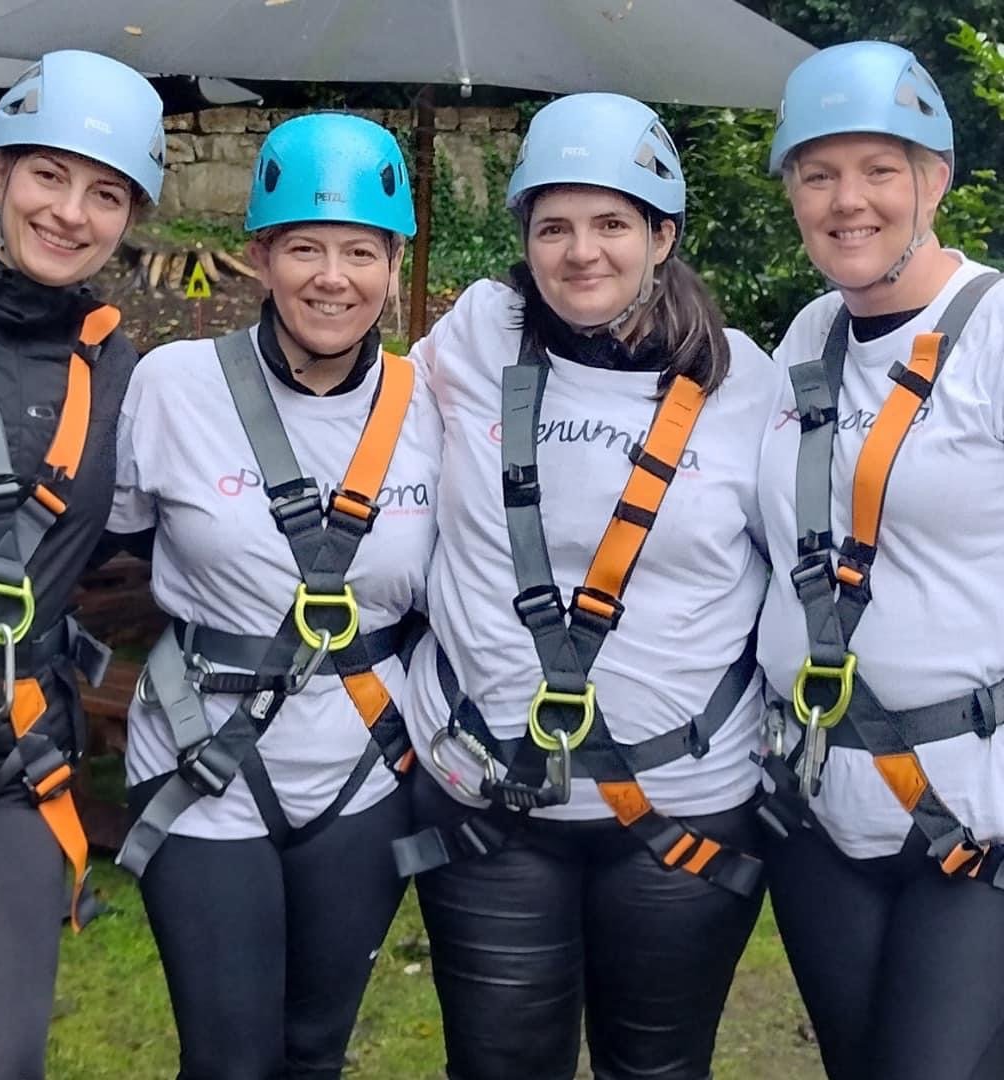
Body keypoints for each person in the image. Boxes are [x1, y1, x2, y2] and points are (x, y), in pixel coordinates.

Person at [393, 92, 775, 1080]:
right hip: (487, 801)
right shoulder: (475, 336)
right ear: (522, 237)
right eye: (553, 226)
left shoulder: (750, 389)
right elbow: (352, 413)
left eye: (612, 224)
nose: (581, 252)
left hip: (682, 805)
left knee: (656, 1071)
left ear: (664, 235)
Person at [108, 112, 440, 1080]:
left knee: (313, 1053)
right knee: (228, 1061)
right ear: (260, 255)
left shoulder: (436, 402)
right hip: (200, 769)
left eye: (360, 250)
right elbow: (104, 539)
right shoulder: (173, 386)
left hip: (363, 772)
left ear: (391, 262)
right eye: (304, 246)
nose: (332, 276)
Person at [757, 40, 1004, 1080]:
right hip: (819, 815)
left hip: (975, 818)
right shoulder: (808, 338)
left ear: (935, 180)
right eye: (818, 174)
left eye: (879, 170)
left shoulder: (995, 334)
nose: (847, 201)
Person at [0, 49, 164, 1080]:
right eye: (49, 176)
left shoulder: (115, 366)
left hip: (1, 763)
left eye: (105, 193)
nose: (71, 212)